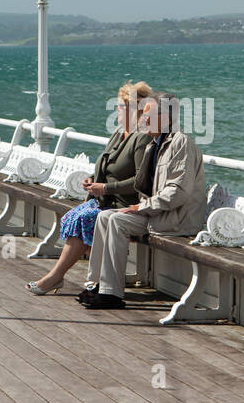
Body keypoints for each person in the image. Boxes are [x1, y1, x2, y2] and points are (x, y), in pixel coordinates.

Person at [80, 92, 208, 310]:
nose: (142, 120)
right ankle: (97, 285)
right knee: (104, 216)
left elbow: (178, 193)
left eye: (148, 115)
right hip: (158, 215)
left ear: (166, 118)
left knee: (117, 221)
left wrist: (141, 207)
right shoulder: (154, 145)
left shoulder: (181, 144)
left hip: (176, 220)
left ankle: (111, 294)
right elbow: (145, 185)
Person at [27, 81, 153, 295]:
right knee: (73, 217)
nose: (117, 110)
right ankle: (96, 278)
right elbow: (107, 165)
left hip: (122, 205)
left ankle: (57, 277)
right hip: (105, 200)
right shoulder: (118, 135)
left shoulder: (140, 139)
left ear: (134, 110)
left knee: (84, 220)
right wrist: (91, 179)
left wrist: (105, 188)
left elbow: (140, 181)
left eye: (120, 106)